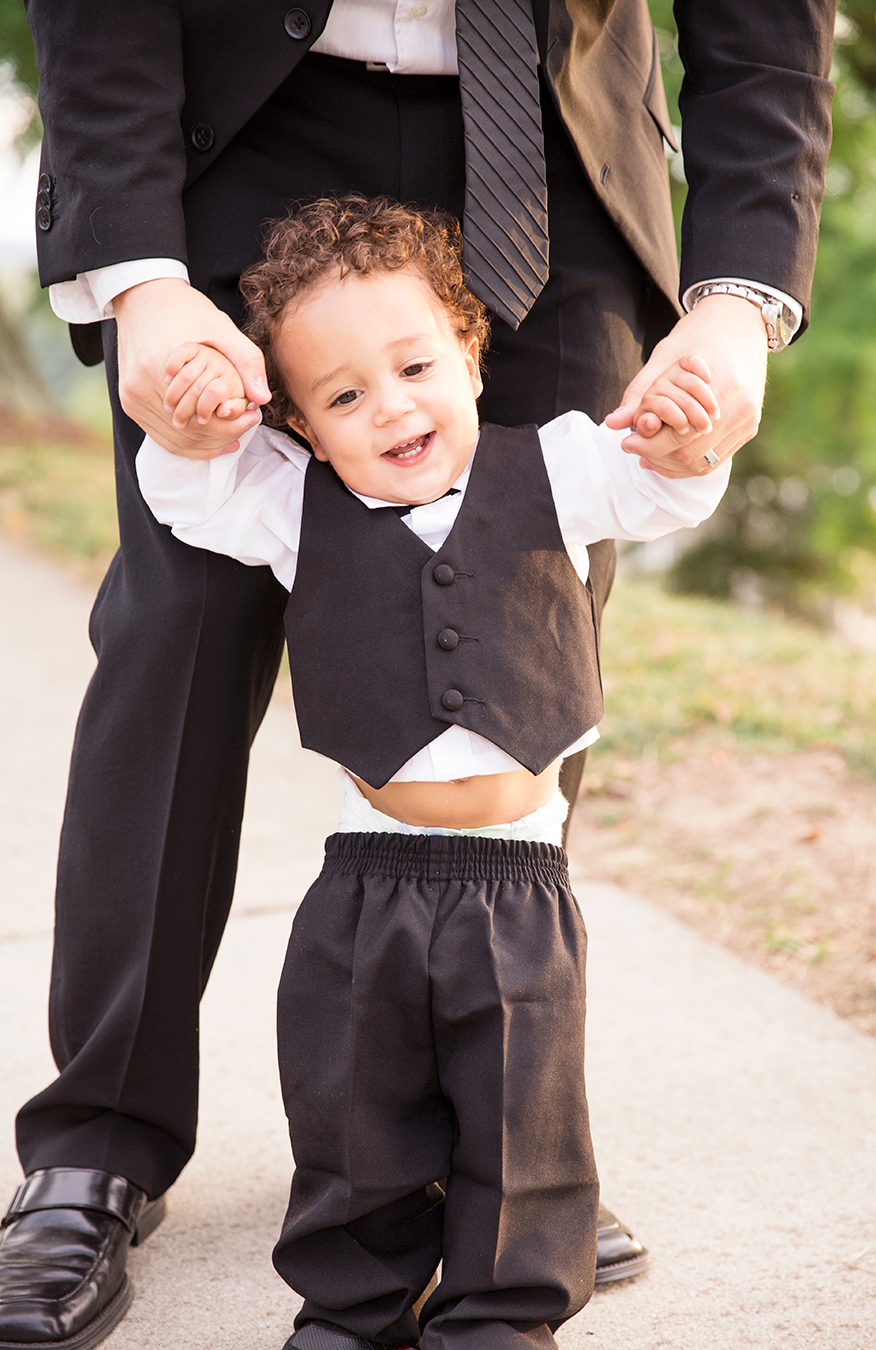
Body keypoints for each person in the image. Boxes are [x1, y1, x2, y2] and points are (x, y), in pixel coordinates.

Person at [1, 3, 835, 1347]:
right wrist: (140, 279)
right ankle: (96, 1138)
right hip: (245, 126)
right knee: (181, 633)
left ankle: (494, 1143)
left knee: (531, 662)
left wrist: (738, 300)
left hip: (554, 155)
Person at [136, 194, 731, 1350]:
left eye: (413, 365)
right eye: (344, 395)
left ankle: (502, 1313)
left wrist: (688, 438)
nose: (390, 405)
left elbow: (664, 487)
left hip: (519, 888)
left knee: (522, 1122)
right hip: (365, 885)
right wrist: (195, 423)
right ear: (302, 426)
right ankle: (355, 1306)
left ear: (469, 351)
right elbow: (190, 495)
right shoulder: (294, 505)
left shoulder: (555, 469)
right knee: (353, 1113)